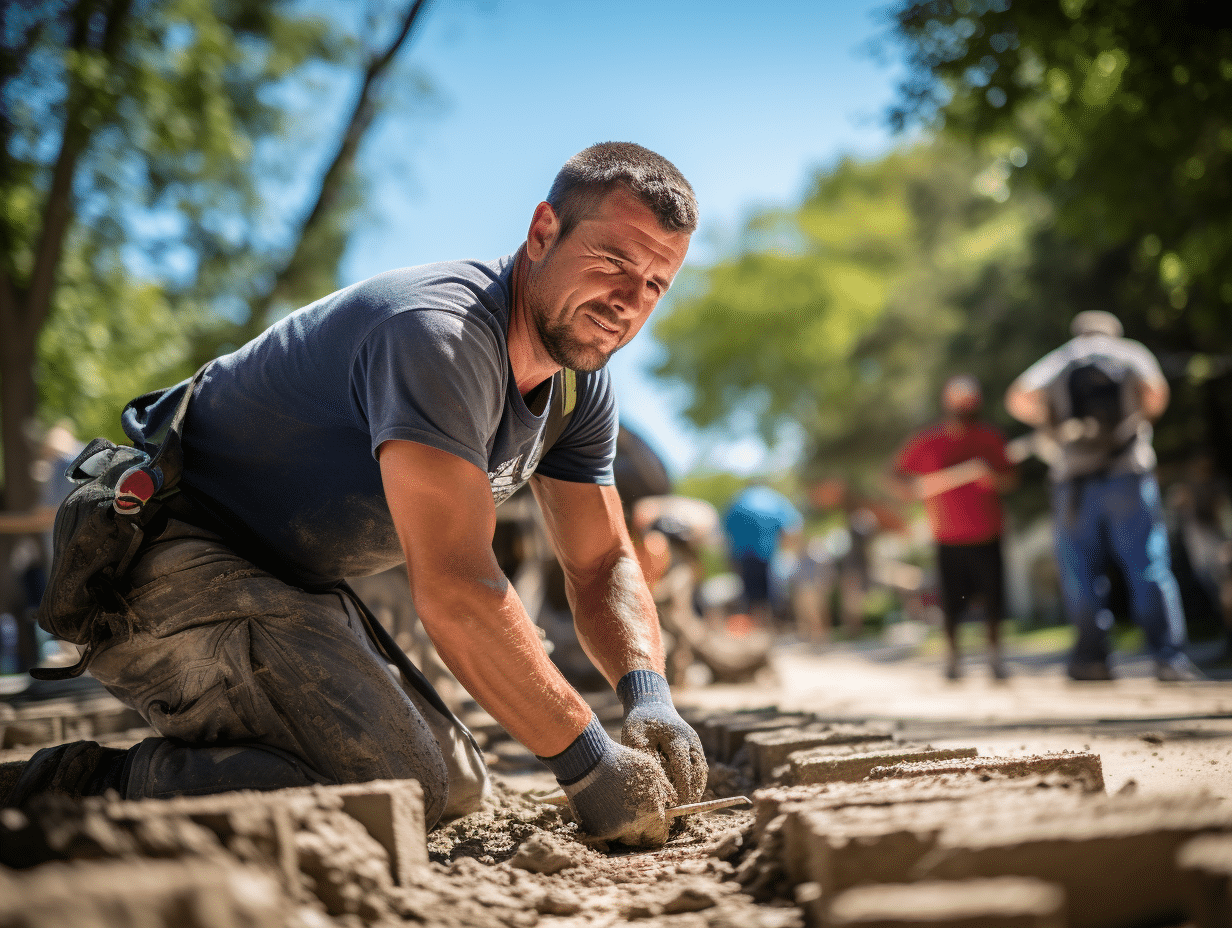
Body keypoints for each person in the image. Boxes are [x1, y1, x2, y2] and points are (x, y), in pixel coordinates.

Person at [6, 142, 709, 847]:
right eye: (613, 262)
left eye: (654, 284)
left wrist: (649, 696)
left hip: (285, 580)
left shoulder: (577, 384)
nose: (627, 301)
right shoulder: (439, 335)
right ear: (542, 232)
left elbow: (601, 563)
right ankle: (60, 792)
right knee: (391, 786)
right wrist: (588, 762)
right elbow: (460, 587)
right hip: (163, 559)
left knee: (456, 785)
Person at [1005, 310, 1201, 682]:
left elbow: (1018, 397)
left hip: (1075, 482)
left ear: (1078, 332)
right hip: (1128, 474)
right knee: (1148, 565)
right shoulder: (1131, 353)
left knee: (1080, 572)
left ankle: (1091, 659)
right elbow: (1156, 394)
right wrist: (1136, 421)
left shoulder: (1063, 357)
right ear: (1114, 331)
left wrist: (1052, 425)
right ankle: (1167, 658)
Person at [889, 375, 1017, 680]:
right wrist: (912, 489)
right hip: (947, 536)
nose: (964, 406)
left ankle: (995, 660)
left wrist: (993, 479)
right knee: (950, 604)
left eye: (970, 400)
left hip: (988, 533)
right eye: (958, 400)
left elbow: (1010, 479)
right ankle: (953, 662)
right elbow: (893, 476)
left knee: (994, 600)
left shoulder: (990, 438)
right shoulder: (927, 442)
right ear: (947, 402)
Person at [722, 483, 803, 629]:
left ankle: (757, 630)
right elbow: (793, 527)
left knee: (750, 596)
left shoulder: (738, 502)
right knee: (771, 596)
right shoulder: (775, 500)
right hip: (769, 556)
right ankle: (769, 629)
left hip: (743, 557)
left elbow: (725, 533)